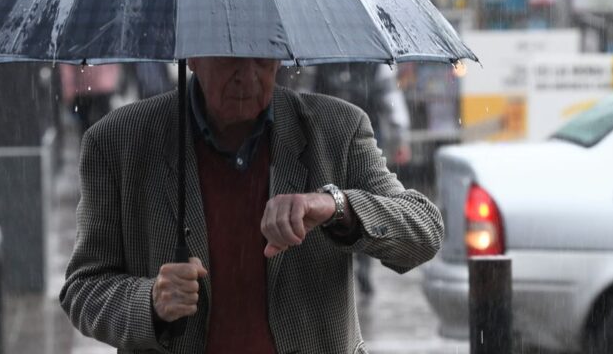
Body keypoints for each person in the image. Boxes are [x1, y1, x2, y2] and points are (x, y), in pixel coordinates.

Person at [60, 57, 442, 353]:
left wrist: (336, 206)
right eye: (229, 59)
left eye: (262, 59)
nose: (248, 76)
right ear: (192, 57)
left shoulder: (336, 128)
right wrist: (150, 301)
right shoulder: (117, 143)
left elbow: (424, 231)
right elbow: (84, 288)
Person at [313, 62, 412, 300]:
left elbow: (389, 94)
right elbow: (389, 95)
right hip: (344, 139)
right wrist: (400, 134)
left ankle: (358, 266)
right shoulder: (370, 57)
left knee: (353, 203)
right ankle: (353, 265)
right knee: (346, 203)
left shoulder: (319, 56)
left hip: (344, 140)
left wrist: (399, 135)